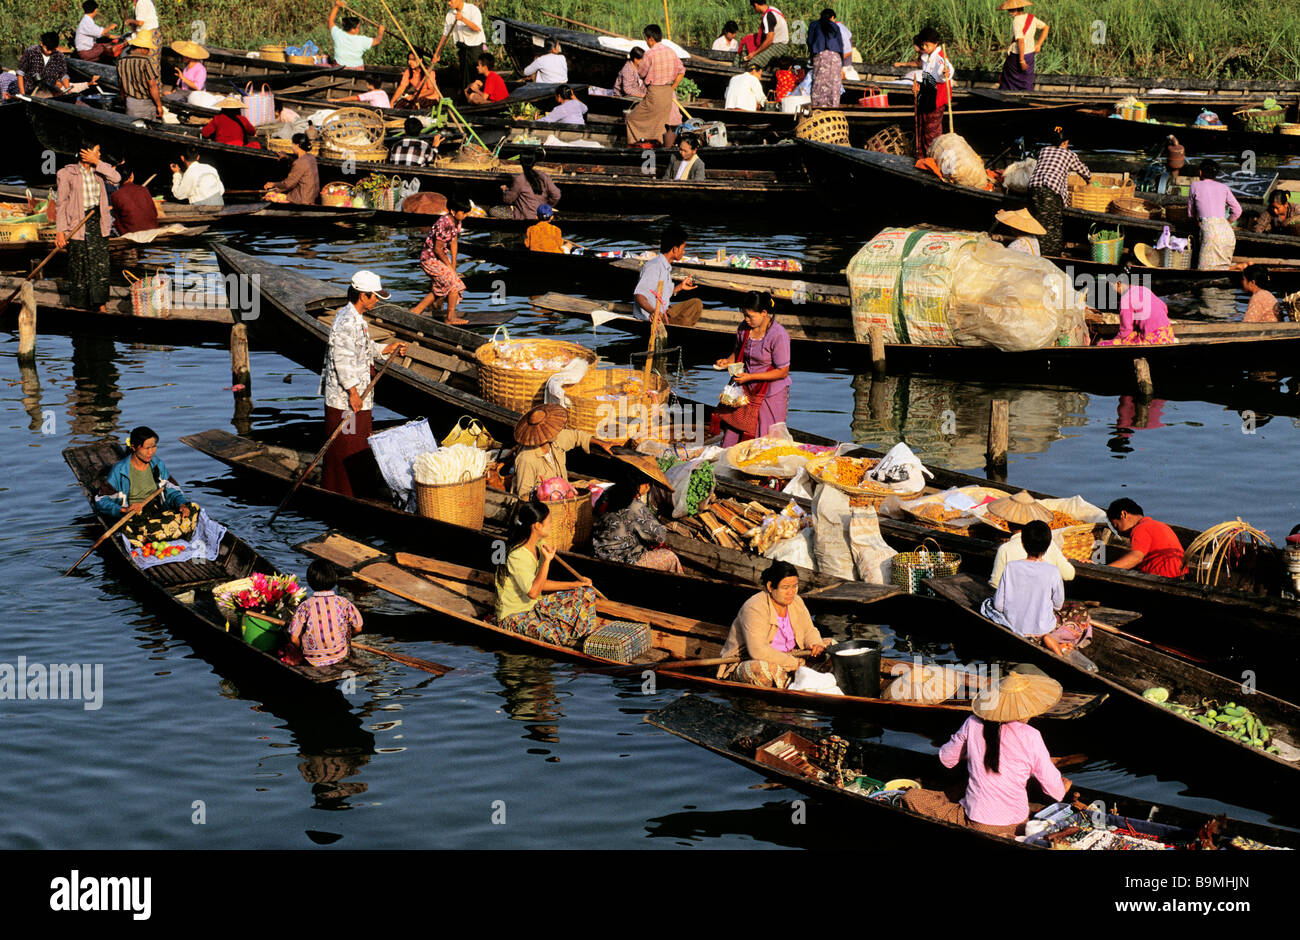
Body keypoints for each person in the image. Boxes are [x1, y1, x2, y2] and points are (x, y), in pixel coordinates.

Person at [901, 668, 1068, 838]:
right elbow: (1055, 790)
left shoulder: (973, 722)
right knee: (967, 784)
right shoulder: (1032, 735)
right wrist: (1063, 788)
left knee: (911, 796)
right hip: (1018, 824)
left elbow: (946, 758)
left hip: (979, 823)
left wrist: (972, 753)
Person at [321, 271, 407, 496]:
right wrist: (352, 392)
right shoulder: (346, 321)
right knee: (346, 448)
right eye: (374, 297)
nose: (376, 301)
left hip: (358, 395)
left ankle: (356, 490)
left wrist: (385, 349)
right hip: (345, 400)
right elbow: (341, 358)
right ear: (363, 296)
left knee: (360, 443)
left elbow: (362, 347)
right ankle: (341, 492)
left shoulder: (356, 319)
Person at [494, 500, 599, 645]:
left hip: (535, 606)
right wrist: (547, 561)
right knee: (553, 634)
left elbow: (540, 584)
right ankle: (569, 639)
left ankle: (581, 637)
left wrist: (576, 584)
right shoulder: (517, 555)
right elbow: (533, 592)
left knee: (586, 593)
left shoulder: (537, 545)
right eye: (549, 522)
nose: (551, 525)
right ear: (537, 526)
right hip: (513, 616)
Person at [718, 561, 826, 688]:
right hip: (751, 660)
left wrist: (816, 644)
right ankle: (797, 688)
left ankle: (804, 681)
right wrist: (794, 664)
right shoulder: (754, 607)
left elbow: (809, 630)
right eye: (785, 588)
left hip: (794, 656)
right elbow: (758, 651)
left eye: (795, 586)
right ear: (770, 587)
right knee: (763, 670)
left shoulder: (796, 601)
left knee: (832, 647)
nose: (791, 592)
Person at [714, 291, 791, 445]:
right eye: (745, 315)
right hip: (746, 388)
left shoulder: (778, 335)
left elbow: (783, 372)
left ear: (764, 313)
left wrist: (751, 377)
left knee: (764, 437)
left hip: (770, 392)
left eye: (750, 316)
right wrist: (727, 362)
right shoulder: (744, 328)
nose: (746, 320)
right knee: (735, 428)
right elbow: (739, 351)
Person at [56, 141, 120, 312]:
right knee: (79, 264)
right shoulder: (66, 173)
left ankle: (100, 304)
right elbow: (60, 204)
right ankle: (78, 304)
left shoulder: (99, 171)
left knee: (100, 264)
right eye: (96, 151)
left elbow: (117, 178)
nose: (99, 154)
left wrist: (97, 162)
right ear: (85, 153)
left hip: (97, 221)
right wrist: (60, 232)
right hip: (77, 223)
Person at [510, 403, 618, 500]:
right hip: (550, 503)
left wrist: (601, 443)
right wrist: (549, 492)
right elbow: (524, 495)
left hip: (567, 490)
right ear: (543, 435)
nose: (555, 431)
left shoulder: (555, 439)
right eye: (551, 429)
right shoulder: (526, 459)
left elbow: (577, 436)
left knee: (604, 489)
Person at [592, 458, 683, 573]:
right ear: (644, 485)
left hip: (598, 553)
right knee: (670, 557)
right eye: (650, 485)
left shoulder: (607, 493)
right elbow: (659, 536)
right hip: (621, 561)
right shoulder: (634, 506)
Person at [95, 426, 194, 520]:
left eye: (154, 447)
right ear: (133, 447)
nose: (151, 452)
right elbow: (101, 501)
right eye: (147, 448)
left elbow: (172, 490)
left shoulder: (157, 465)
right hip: (133, 516)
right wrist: (124, 509)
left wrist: (181, 504)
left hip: (157, 511)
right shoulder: (120, 470)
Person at [990, 519, 1065, 639]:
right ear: (1049, 544)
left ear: (1023, 543)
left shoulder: (1011, 567)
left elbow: (998, 605)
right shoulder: (1053, 571)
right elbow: (1058, 606)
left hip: (1013, 627)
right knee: (1079, 610)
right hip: (1043, 630)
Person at [1027, 126, 1090, 258]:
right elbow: (1084, 171)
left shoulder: (1043, 150)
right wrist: (1091, 180)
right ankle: (1050, 255)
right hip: (1049, 191)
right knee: (1052, 225)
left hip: (1033, 189)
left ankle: (1035, 250)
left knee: (1038, 220)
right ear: (1065, 142)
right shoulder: (1069, 155)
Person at [287, 560, 364, 667]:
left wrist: (299, 650)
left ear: (310, 582)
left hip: (311, 659)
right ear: (335, 579)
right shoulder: (344, 602)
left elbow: (293, 638)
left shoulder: (304, 606)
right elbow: (358, 628)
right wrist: (346, 637)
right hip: (340, 654)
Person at [894, 27, 954, 159]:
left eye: (927, 45)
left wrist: (946, 73)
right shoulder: (926, 56)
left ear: (935, 44)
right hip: (926, 95)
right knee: (921, 127)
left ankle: (932, 159)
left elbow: (947, 70)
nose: (925, 47)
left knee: (931, 132)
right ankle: (922, 158)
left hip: (936, 98)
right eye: (923, 45)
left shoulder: (940, 58)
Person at [412, 196, 471, 323]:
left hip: (438, 259)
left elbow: (454, 242)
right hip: (429, 259)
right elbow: (438, 249)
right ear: (453, 211)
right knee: (454, 285)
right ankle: (449, 318)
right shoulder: (444, 222)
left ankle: (416, 310)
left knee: (441, 287)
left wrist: (454, 263)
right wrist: (449, 267)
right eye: (463, 212)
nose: (465, 215)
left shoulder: (457, 222)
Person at [625, 24, 684, 147]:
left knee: (632, 119)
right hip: (668, 92)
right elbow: (681, 71)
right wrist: (672, 88)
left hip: (655, 93)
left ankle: (639, 145)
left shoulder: (650, 54)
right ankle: (661, 147)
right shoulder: (671, 52)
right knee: (663, 123)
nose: (646, 42)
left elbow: (641, 73)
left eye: (646, 39)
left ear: (650, 38)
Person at [633, 223, 701, 329]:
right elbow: (639, 295)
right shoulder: (654, 266)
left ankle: (675, 322)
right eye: (683, 248)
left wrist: (680, 287)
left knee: (696, 304)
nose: (684, 252)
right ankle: (678, 325)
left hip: (664, 310)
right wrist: (653, 312)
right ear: (674, 249)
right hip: (653, 316)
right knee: (686, 321)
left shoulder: (666, 266)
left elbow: (664, 294)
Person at [1105, 498, 1188, 579]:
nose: (1119, 533)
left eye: (1116, 526)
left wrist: (1104, 570)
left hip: (1163, 578)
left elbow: (1136, 557)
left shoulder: (1140, 528)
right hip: (1181, 576)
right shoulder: (1160, 525)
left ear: (1123, 514)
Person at [1189, 159, 1242, 270]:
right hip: (1226, 231)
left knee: (1205, 269)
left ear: (1200, 172)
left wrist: (1197, 221)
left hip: (1210, 230)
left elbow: (1190, 213)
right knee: (1223, 268)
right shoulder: (1224, 187)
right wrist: (1227, 222)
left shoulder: (1195, 186)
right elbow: (1237, 210)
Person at [1096, 274, 1175, 346]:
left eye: (1112, 286)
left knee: (1104, 344)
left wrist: (1115, 340)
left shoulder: (1126, 299)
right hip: (1168, 334)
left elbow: (1126, 330)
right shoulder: (1143, 289)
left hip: (1155, 339)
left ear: (1118, 283)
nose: (1112, 290)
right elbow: (1164, 307)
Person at [432, 0, 485, 92]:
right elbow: (446, 35)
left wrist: (462, 19)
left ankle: (480, 97)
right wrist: (438, 53)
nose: (448, 3)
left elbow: (477, 28)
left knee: (477, 73)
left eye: (450, 0)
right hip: (463, 48)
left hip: (476, 47)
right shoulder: (450, 14)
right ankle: (467, 97)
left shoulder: (473, 9)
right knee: (464, 75)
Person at [997, 0, 1048, 91]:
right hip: (1030, 54)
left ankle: (1007, 97)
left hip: (1018, 55)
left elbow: (1021, 41)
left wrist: (1021, 60)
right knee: (1027, 78)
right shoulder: (1031, 17)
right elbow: (1046, 27)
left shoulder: (1016, 21)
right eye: (1009, 10)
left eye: (1012, 10)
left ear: (1018, 9)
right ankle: (1027, 95)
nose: (1010, 13)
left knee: (1009, 77)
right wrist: (1038, 44)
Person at [496, 153, 560, 221]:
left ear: (521, 163)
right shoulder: (544, 176)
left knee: (493, 210)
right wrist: (546, 207)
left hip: (524, 216)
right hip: (542, 215)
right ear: (534, 163)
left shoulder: (519, 179)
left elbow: (508, 199)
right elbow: (557, 195)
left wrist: (505, 190)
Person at [117, 32, 163, 119]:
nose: (149, 51)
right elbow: (152, 85)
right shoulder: (146, 61)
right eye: (148, 49)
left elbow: (121, 86)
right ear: (142, 49)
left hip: (130, 103)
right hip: (146, 104)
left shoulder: (121, 61)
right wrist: (159, 105)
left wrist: (125, 102)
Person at [264, 133, 320, 204]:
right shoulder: (311, 157)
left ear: (297, 145)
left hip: (302, 199)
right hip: (312, 197)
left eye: (292, 144)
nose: (292, 146)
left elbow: (288, 184)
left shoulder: (300, 162)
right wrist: (287, 157)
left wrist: (273, 184)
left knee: (268, 196)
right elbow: (300, 165)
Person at [328, 0, 383, 69]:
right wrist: (380, 31)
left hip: (339, 68)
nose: (359, 29)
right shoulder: (361, 40)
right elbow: (377, 40)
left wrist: (336, 6)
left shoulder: (338, 34)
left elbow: (330, 21)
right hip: (356, 69)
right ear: (353, 29)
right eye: (358, 27)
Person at [808, 9, 845, 108]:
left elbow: (810, 42)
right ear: (832, 17)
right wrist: (843, 64)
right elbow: (840, 46)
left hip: (820, 56)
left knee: (818, 84)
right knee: (834, 85)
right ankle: (833, 108)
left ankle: (817, 107)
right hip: (835, 58)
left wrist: (812, 58)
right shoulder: (835, 27)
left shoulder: (814, 25)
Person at [18, 31, 72, 98]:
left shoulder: (59, 56)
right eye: (47, 49)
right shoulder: (31, 52)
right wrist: (22, 94)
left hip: (49, 92)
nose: (49, 52)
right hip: (30, 91)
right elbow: (20, 73)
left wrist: (68, 91)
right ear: (41, 44)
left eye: (52, 49)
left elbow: (63, 75)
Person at [109, 163, 158, 234]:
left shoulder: (116, 195)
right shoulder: (144, 190)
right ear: (132, 176)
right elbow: (155, 213)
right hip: (152, 230)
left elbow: (118, 218)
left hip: (131, 232)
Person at [742, 0, 790, 69]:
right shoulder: (773, 9)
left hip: (779, 46)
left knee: (753, 63)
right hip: (783, 42)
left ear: (756, 5)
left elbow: (769, 40)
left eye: (754, 8)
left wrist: (754, 53)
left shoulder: (768, 16)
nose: (754, 10)